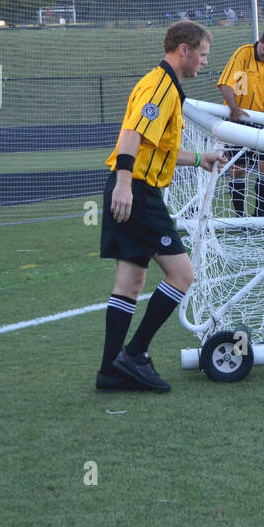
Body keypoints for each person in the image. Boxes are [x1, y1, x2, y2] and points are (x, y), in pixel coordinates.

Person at [97, 20, 226, 392]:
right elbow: (132, 135)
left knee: (130, 282)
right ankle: (134, 354)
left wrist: (199, 158)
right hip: (136, 191)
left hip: (135, 188)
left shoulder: (168, 85)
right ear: (183, 50)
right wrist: (124, 184)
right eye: (202, 54)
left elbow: (159, 149)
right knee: (183, 275)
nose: (204, 62)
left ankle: (109, 371)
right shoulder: (160, 87)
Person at [217, 27, 264, 217]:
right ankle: (240, 218)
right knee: (238, 169)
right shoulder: (243, 54)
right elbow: (225, 83)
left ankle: (259, 215)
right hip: (237, 121)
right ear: (260, 41)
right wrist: (234, 109)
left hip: (263, 122)